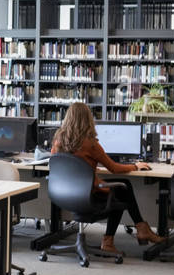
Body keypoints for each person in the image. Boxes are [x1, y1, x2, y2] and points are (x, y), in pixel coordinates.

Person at [51, 102, 163, 252]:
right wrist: (135, 166)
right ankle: (115, 238)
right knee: (122, 190)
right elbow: (114, 168)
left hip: (64, 195)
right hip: (88, 196)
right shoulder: (90, 144)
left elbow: (57, 163)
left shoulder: (58, 140)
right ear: (88, 119)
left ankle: (140, 229)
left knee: (122, 187)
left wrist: (85, 167)